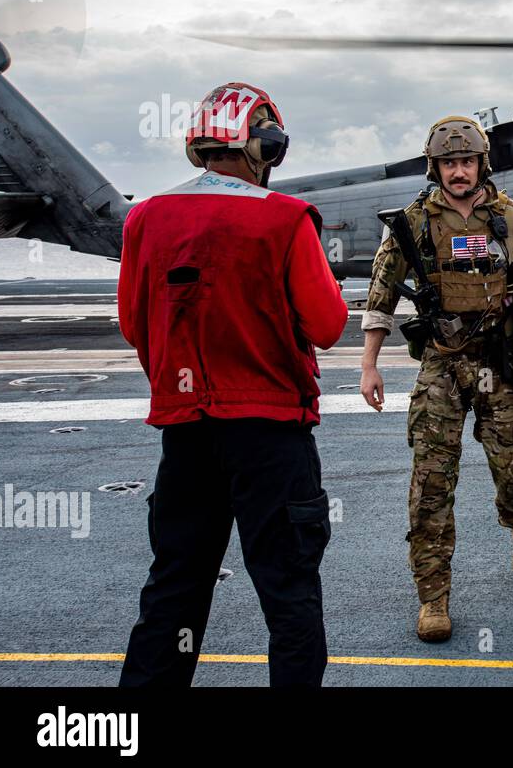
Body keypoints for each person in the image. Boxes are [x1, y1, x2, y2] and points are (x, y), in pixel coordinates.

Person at [118, 83, 347, 687]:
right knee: (288, 591)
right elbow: (327, 327)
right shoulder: (287, 218)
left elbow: (131, 323)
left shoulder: (145, 217)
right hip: (272, 435)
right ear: (264, 146)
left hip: (186, 435)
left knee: (174, 589)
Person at [359, 115, 513, 643]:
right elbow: (382, 290)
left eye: (466, 161)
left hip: (500, 364)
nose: (458, 171)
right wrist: (369, 364)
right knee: (430, 486)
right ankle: (433, 597)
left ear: (481, 164)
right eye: (449, 163)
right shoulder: (413, 222)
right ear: (437, 167)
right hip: (442, 367)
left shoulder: (512, 219)